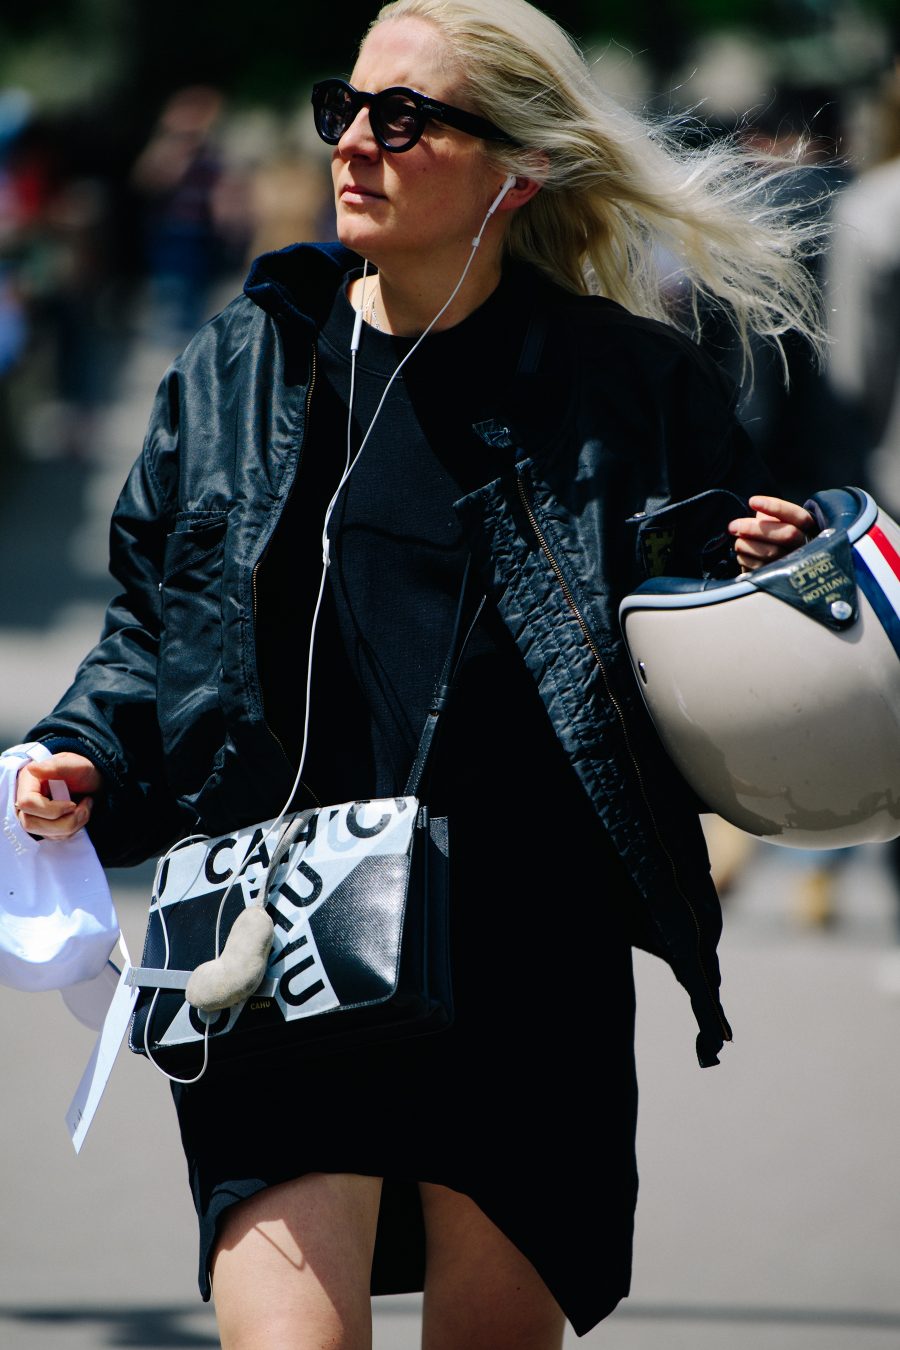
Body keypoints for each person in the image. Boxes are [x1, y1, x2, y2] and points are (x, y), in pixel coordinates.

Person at [10, 1, 825, 1345]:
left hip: (524, 947)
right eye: (345, 109)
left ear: (520, 168)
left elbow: (706, 644)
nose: (354, 144)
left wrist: (773, 581)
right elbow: (153, 621)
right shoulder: (246, 362)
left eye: (404, 119)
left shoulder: (629, 388)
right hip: (273, 928)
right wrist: (85, 749)